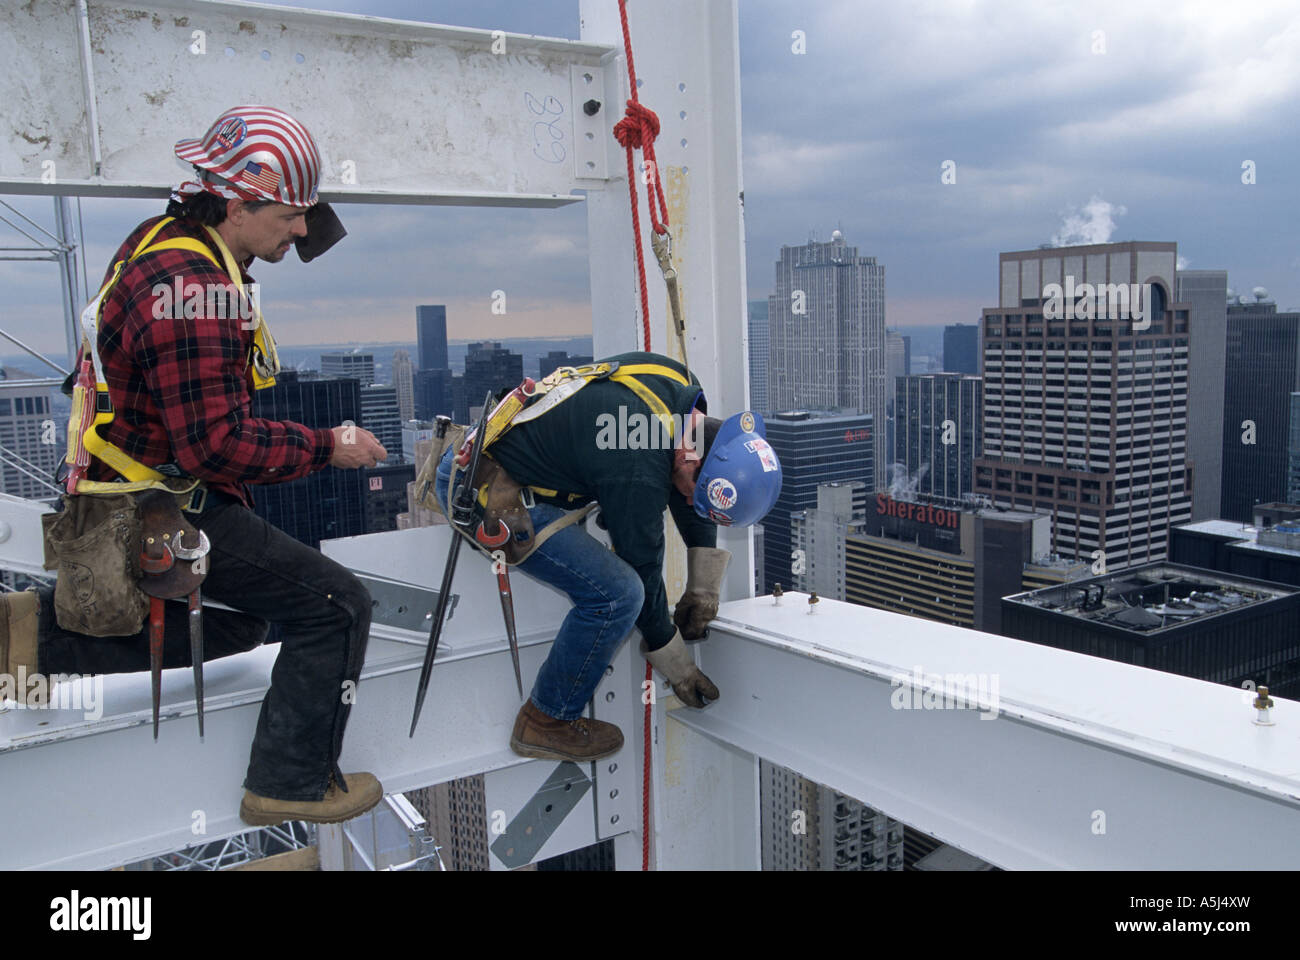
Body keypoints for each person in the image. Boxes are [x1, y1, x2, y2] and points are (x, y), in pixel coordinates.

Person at [0, 105, 387, 826]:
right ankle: (288, 781)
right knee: (338, 607)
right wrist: (327, 447)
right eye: (291, 214)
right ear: (238, 203)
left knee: (237, 624)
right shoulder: (191, 287)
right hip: (157, 500)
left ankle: (34, 637)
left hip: (139, 487)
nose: (301, 231)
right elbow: (214, 447)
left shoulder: (170, 244)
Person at [432, 352, 781, 761]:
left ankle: (547, 717)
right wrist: (676, 663)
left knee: (656, 520)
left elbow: (686, 487)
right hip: (486, 494)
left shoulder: (680, 390)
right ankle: (545, 720)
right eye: (692, 489)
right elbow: (642, 564)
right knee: (618, 594)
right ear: (694, 454)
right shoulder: (635, 459)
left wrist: (703, 587)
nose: (689, 500)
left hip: (507, 466)